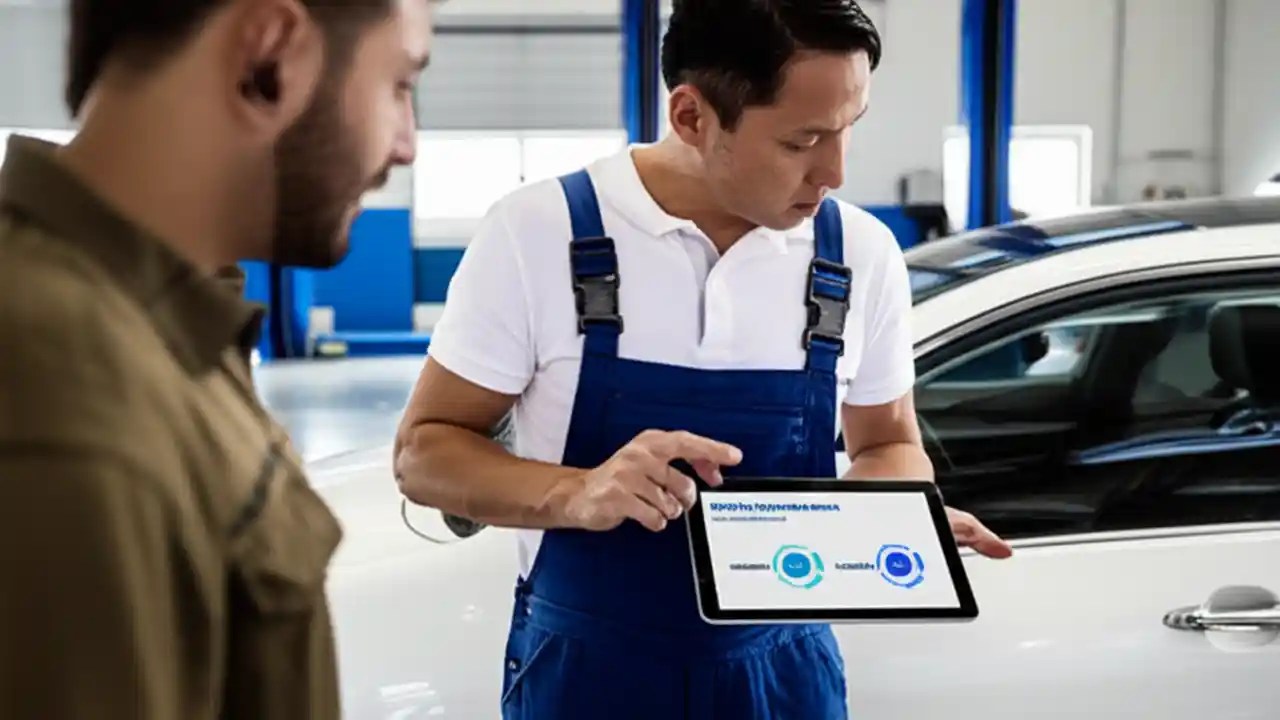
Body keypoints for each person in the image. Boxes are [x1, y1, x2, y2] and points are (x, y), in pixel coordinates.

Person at [394, 1, 1012, 718]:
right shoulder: (538, 233)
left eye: (850, 128)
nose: (836, 171)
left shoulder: (860, 256)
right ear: (691, 116)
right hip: (590, 677)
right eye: (803, 140)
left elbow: (891, 445)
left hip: (783, 679)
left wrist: (877, 523)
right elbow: (424, 454)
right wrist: (576, 492)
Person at [0, 0, 434, 717]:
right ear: (268, 56)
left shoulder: (160, 330)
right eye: (399, 85)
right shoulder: (73, 403)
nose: (406, 145)